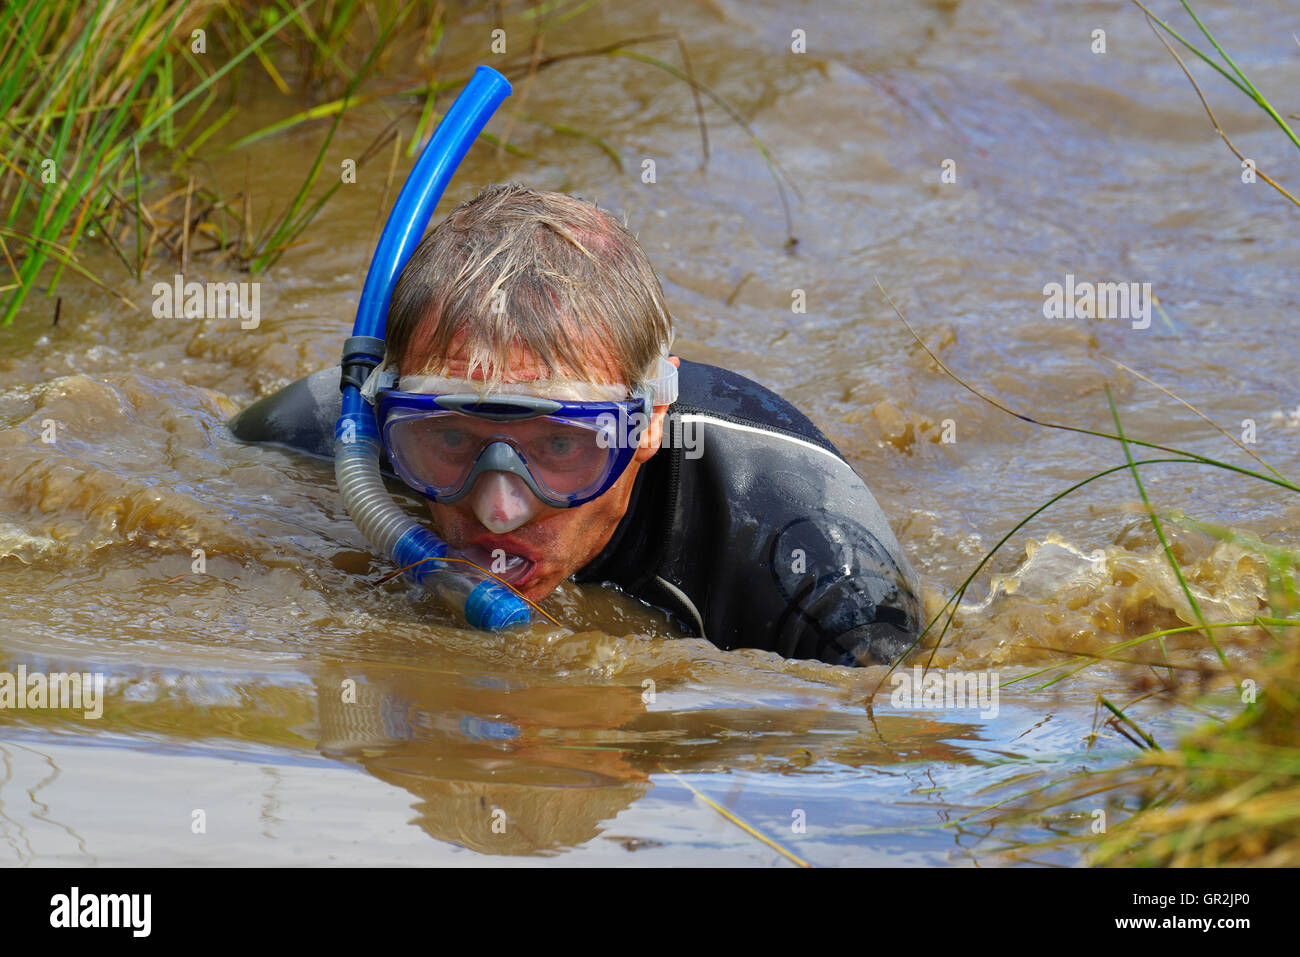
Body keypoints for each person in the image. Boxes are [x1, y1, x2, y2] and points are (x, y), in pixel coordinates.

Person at [229, 183, 920, 666]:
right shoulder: (345, 424)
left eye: (559, 445)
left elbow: (900, 755)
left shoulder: (816, 568)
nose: (498, 509)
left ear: (649, 420)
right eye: (451, 441)